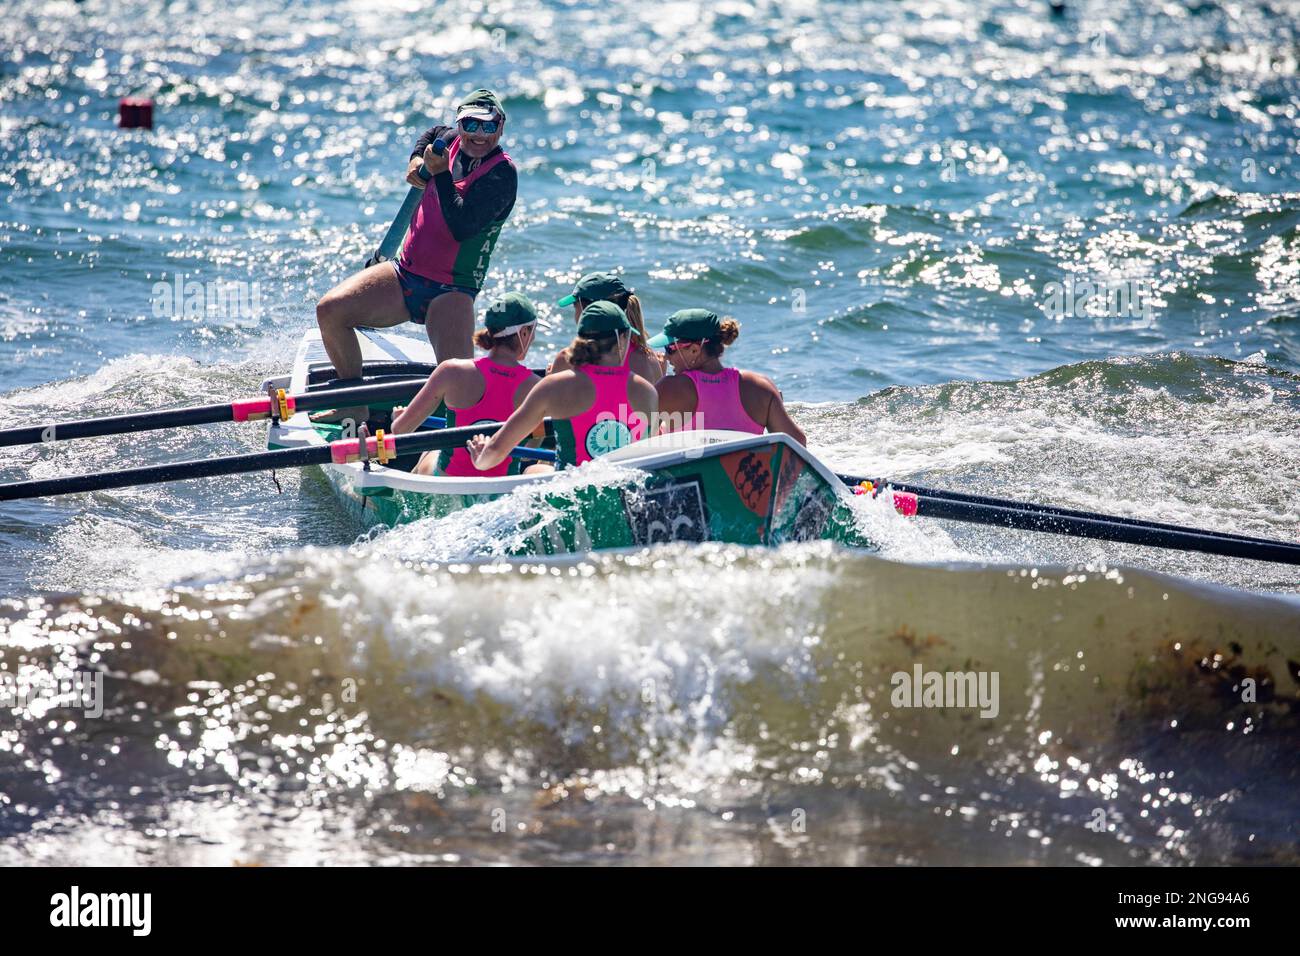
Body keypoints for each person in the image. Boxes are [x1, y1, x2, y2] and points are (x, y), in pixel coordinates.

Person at [314, 88, 517, 421]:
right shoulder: (449, 140)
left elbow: (462, 226)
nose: (478, 135)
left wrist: (438, 174)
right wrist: (417, 160)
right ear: (460, 123)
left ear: (501, 126)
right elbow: (431, 134)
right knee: (330, 312)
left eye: (488, 127)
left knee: (461, 389)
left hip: (452, 292)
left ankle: (433, 426)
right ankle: (353, 401)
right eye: (470, 125)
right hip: (403, 276)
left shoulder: (502, 175)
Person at [467, 301, 657, 472]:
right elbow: (648, 458)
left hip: (570, 499)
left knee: (534, 470)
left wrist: (479, 459)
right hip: (627, 502)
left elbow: (496, 452)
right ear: (622, 338)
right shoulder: (647, 391)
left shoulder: (554, 386)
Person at [389, 293, 540, 476]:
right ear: (523, 332)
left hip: (450, 483)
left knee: (432, 450)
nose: (533, 338)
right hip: (499, 490)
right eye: (533, 331)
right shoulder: (536, 387)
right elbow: (529, 451)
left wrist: (399, 419)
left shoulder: (451, 371)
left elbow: (400, 431)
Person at [649, 309, 806, 444]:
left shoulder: (669, 388)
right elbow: (798, 443)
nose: (666, 357)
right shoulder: (760, 386)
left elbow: (634, 440)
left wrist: (656, 382)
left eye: (670, 349)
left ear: (695, 350)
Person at [549, 272, 666, 384]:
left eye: (575, 308)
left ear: (589, 310)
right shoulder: (648, 361)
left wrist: (549, 380)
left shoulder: (568, 360)